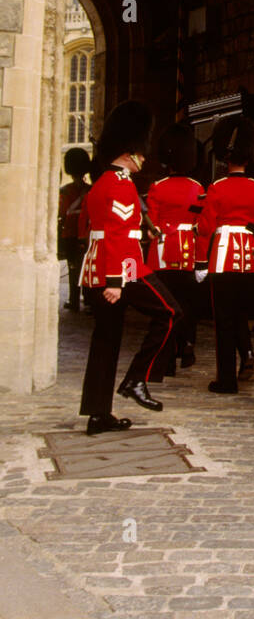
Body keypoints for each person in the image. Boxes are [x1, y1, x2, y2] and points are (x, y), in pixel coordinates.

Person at [79, 101, 181, 434]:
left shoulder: (103, 182)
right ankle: (138, 378)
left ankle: (98, 414)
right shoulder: (121, 185)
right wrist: (116, 281)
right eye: (140, 153)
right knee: (171, 313)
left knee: (106, 340)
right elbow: (117, 234)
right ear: (129, 152)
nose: (144, 159)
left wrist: (147, 225)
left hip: (96, 269)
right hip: (122, 270)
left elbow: (103, 225)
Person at [196, 115, 254, 395]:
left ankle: (225, 378)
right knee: (240, 311)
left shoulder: (217, 188)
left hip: (223, 256)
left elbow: (205, 228)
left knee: (223, 319)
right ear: (249, 156)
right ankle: (247, 352)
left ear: (225, 158)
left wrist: (201, 262)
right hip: (249, 257)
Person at [145, 123, 205, 375]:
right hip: (188, 251)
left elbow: (152, 225)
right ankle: (188, 341)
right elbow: (201, 225)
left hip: (162, 252)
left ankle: (166, 360)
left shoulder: (157, 187)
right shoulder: (198, 188)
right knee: (186, 303)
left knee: (165, 306)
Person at [57, 148, 91, 312]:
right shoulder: (90, 190)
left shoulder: (65, 191)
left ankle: (74, 300)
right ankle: (89, 300)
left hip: (71, 233)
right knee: (87, 267)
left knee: (73, 268)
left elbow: (62, 212)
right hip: (87, 233)